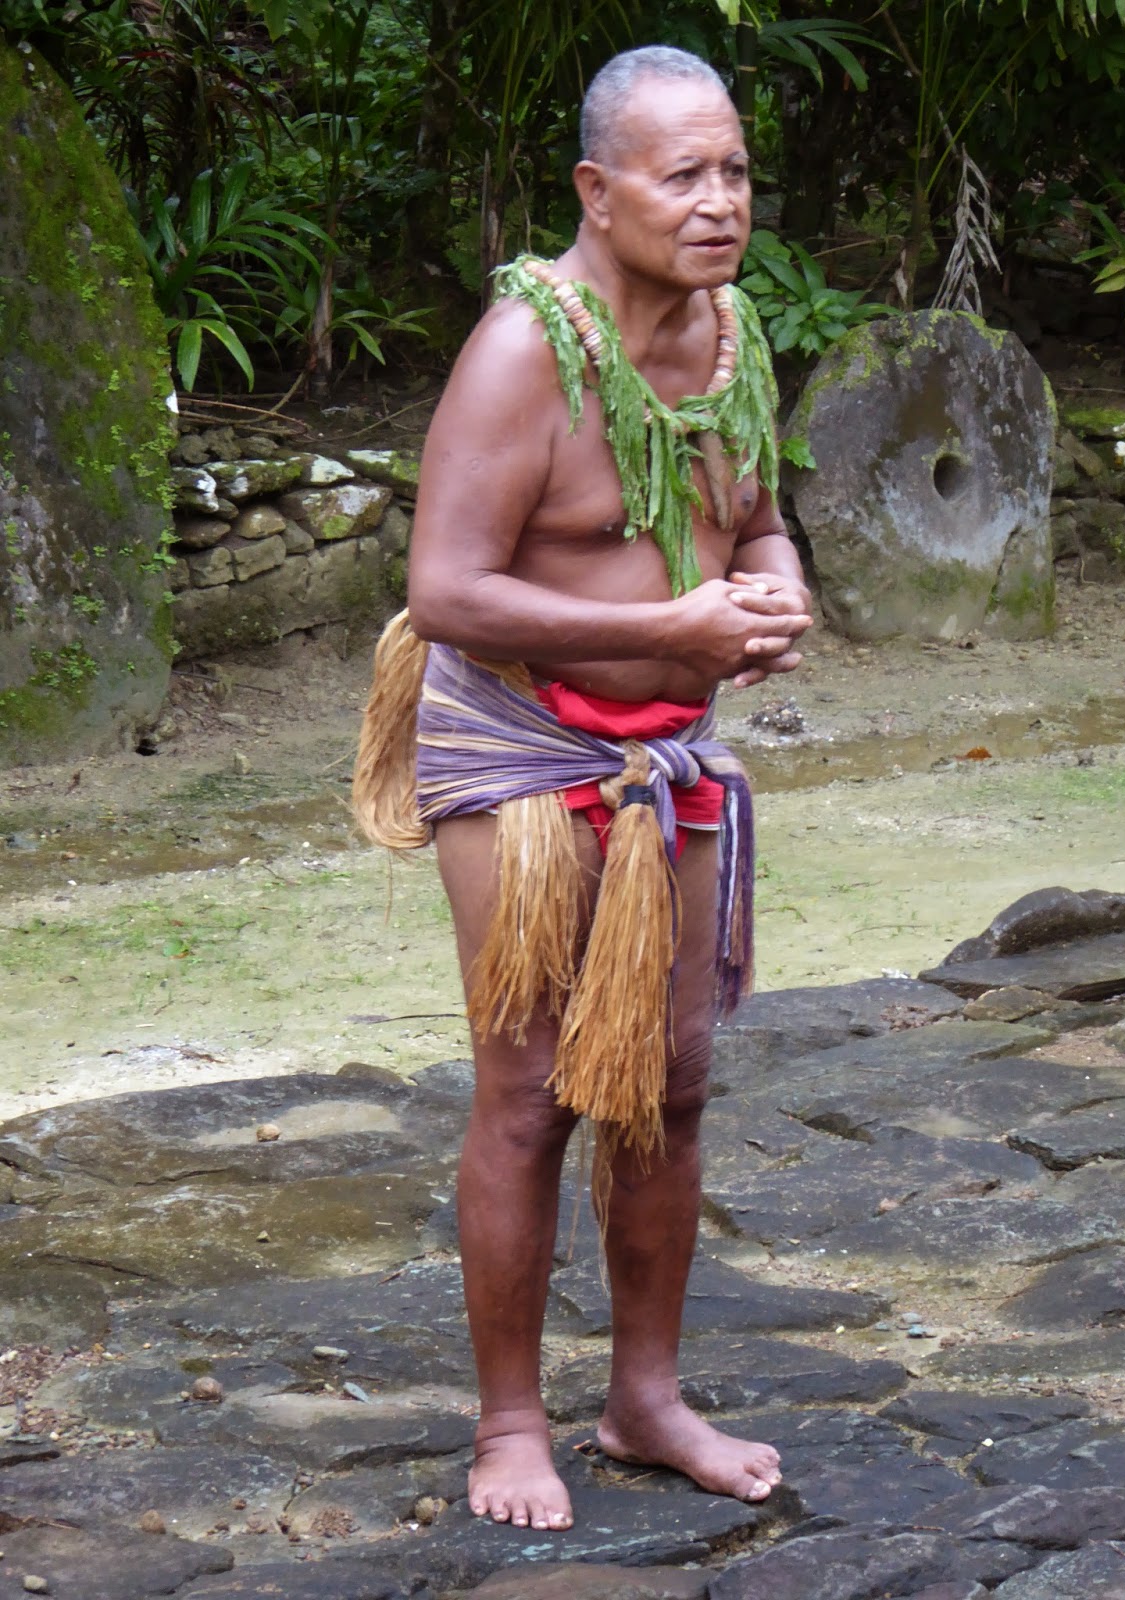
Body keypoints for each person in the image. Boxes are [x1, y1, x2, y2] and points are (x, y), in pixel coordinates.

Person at [353, 44, 812, 1534]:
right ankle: (508, 1423)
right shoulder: (521, 350)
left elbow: (756, 516)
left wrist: (773, 589)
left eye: (735, 169)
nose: (720, 201)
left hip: (664, 755)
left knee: (670, 1087)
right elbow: (444, 589)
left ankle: (646, 1398)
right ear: (595, 192)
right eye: (684, 175)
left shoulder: (730, 339)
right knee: (533, 1090)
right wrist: (663, 630)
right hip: (514, 751)